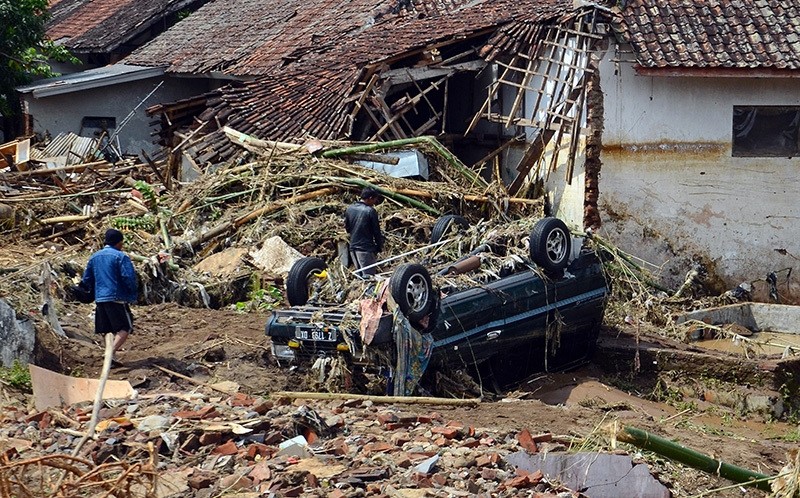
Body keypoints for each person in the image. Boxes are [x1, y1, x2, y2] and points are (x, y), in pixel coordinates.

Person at [80, 229, 138, 367]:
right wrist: (132, 293)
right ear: (119, 243)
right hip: (116, 297)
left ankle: (110, 359)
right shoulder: (120, 256)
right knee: (125, 327)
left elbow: (86, 279)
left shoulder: (94, 257)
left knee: (107, 329)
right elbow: (128, 277)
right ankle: (109, 354)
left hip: (100, 298)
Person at [344, 187, 385, 278]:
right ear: (370, 198)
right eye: (374, 199)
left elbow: (347, 228)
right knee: (369, 278)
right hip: (365, 250)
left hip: (353, 249)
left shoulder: (350, 209)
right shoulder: (370, 211)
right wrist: (379, 247)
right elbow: (376, 232)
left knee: (360, 277)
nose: (375, 202)